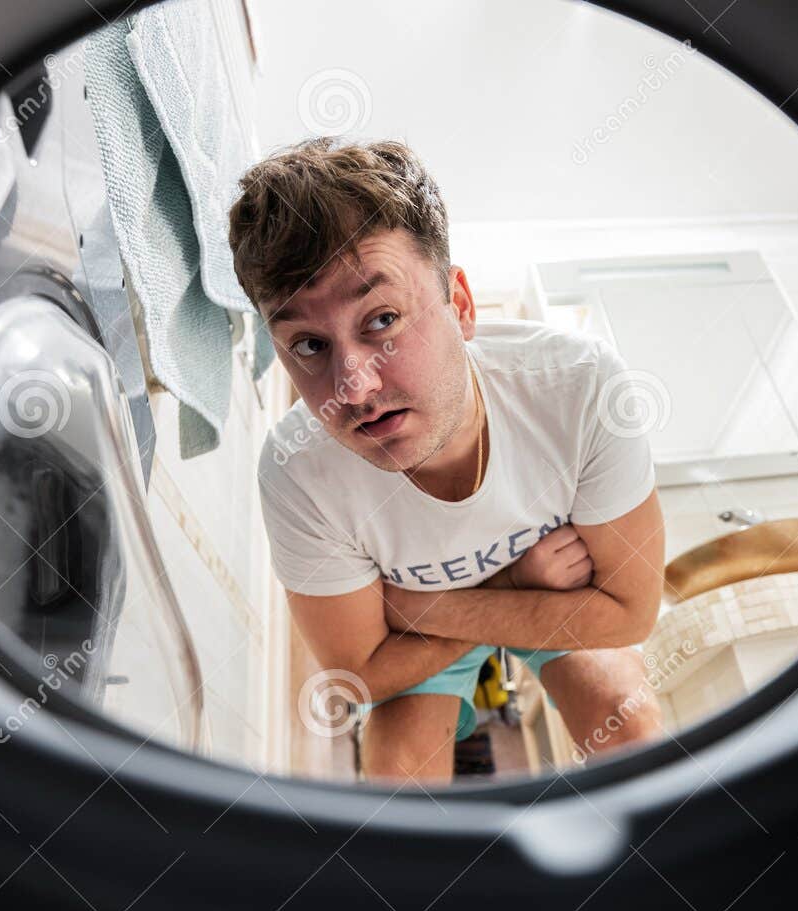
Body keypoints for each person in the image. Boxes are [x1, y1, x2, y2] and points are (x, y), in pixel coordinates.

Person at [229, 137, 664, 784]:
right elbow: (358, 672)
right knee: (397, 790)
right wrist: (510, 587)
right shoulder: (296, 471)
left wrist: (418, 608)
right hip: (535, 594)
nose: (354, 385)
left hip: (456, 618)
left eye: (381, 321)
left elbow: (632, 612)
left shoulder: (581, 387)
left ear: (460, 305)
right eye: (310, 344)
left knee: (627, 730)